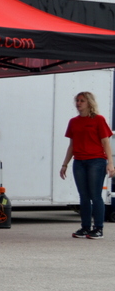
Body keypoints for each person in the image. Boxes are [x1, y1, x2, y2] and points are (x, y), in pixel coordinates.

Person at [59, 91, 115, 239]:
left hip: (96, 161)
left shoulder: (98, 120)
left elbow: (105, 142)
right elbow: (71, 145)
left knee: (95, 195)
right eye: (77, 100)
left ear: (89, 103)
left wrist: (110, 163)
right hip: (79, 161)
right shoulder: (73, 122)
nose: (78, 103)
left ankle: (98, 228)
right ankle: (85, 227)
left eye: (82, 101)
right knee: (83, 196)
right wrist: (65, 164)